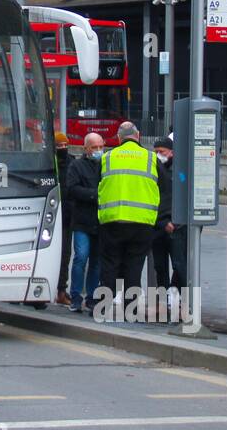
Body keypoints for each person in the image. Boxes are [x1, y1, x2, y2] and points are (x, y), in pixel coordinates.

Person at [96, 121, 159, 318]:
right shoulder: (151, 158)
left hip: (113, 221)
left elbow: (98, 185)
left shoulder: (108, 157)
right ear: (138, 136)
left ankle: (103, 308)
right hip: (142, 223)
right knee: (134, 266)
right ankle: (130, 311)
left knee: (110, 265)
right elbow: (163, 187)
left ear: (118, 138)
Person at [63, 132, 105, 312]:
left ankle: (92, 297)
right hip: (82, 220)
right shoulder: (77, 166)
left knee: (96, 261)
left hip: (100, 220)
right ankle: (75, 296)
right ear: (85, 148)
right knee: (81, 257)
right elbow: (72, 189)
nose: (98, 150)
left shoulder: (106, 164)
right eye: (94, 147)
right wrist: (95, 195)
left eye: (100, 147)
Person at [149, 136, 183, 319]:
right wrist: (162, 222)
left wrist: (175, 222)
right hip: (158, 225)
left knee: (179, 264)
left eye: (161, 152)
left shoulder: (179, 171)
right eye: (155, 152)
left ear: (171, 152)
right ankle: (163, 300)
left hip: (175, 225)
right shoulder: (152, 170)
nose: (158, 155)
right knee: (159, 266)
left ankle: (174, 291)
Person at [54, 131, 74, 306]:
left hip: (67, 216)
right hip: (53, 214)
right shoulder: (49, 163)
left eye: (65, 145)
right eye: (60, 146)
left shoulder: (72, 163)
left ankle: (61, 290)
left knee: (65, 255)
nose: (63, 148)